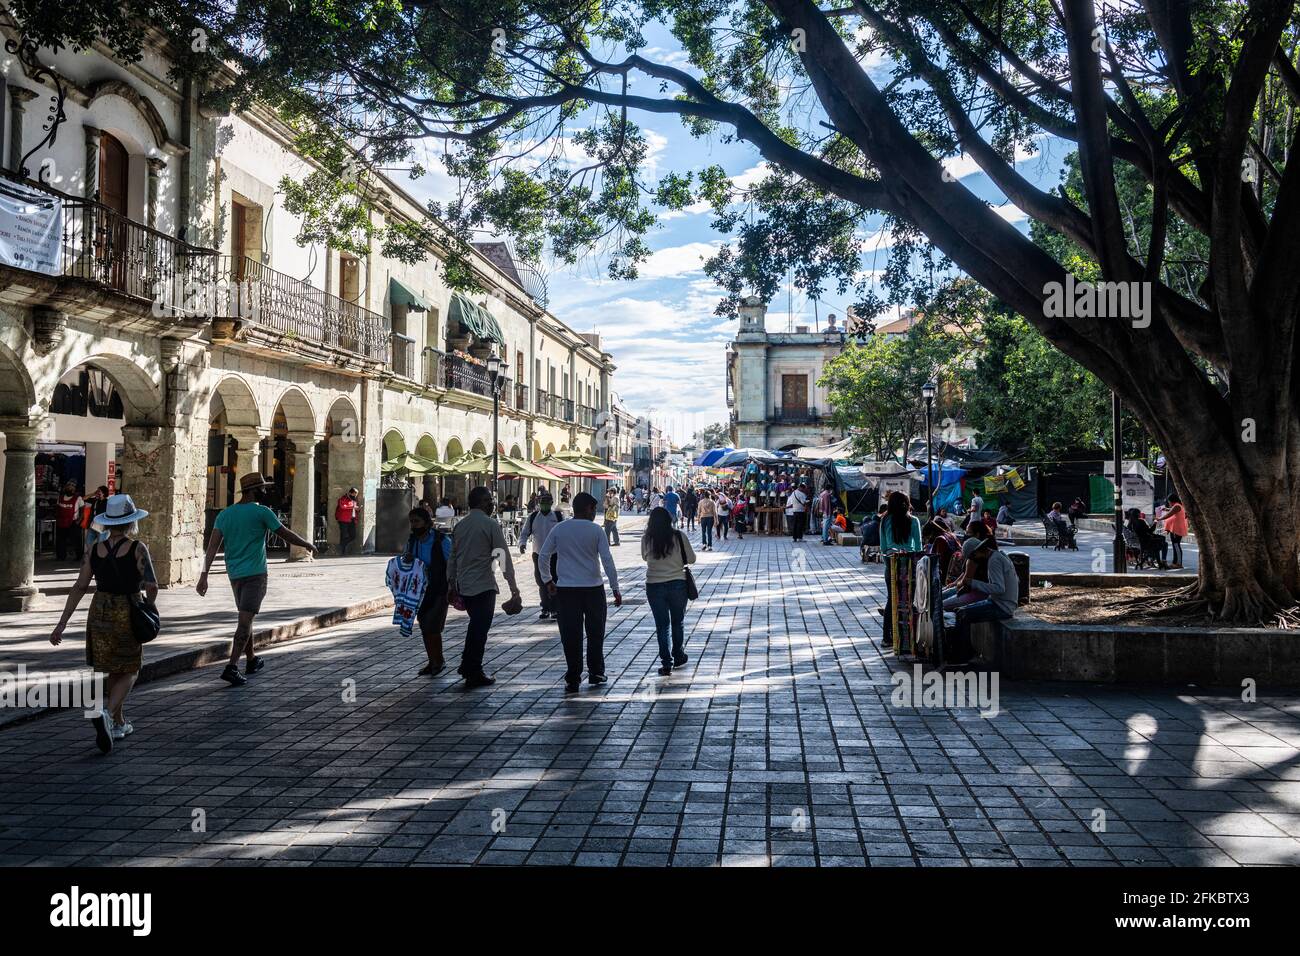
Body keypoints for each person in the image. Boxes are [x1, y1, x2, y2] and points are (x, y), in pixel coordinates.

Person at [49, 494, 157, 753]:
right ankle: (107, 714)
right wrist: (148, 605)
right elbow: (151, 585)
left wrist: (61, 624)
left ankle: (118, 723)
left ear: (108, 522)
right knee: (131, 668)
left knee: (111, 668)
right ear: (131, 522)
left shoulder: (93, 549)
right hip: (127, 609)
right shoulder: (137, 548)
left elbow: (80, 586)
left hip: (99, 611)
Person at [197, 472, 317, 686]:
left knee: (246, 617)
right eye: (262, 488)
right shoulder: (262, 512)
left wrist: (204, 575)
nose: (265, 491)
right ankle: (232, 667)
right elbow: (285, 534)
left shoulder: (225, 515)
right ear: (254, 490)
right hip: (255, 575)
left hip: (234, 575)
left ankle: (251, 660)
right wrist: (306, 544)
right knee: (244, 622)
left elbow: (212, 548)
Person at [538, 492, 621, 693]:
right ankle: (596, 672)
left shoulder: (560, 528)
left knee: (570, 634)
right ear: (589, 509)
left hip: (566, 590)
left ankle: (573, 676)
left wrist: (547, 580)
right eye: (594, 509)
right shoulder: (595, 531)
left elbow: (543, 555)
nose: (595, 513)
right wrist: (615, 587)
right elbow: (607, 560)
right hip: (593, 588)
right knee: (595, 632)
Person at [447, 486, 521, 688]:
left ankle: (469, 665)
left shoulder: (461, 526)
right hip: (484, 586)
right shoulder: (490, 524)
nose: (492, 504)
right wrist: (513, 587)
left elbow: (453, 557)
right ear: (480, 502)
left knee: (477, 626)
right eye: (489, 500)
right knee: (479, 628)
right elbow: (502, 557)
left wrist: (451, 582)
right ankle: (472, 668)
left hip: (465, 585)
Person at [642, 506, 696, 676]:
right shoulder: (679, 536)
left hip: (654, 584)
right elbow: (692, 559)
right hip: (678, 584)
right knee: (677, 622)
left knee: (662, 625)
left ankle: (666, 663)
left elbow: (645, 557)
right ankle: (678, 654)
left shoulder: (647, 538)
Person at [948, 537, 1019, 664]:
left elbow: (999, 588)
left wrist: (973, 583)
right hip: (999, 602)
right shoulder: (999, 555)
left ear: (976, 553)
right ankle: (964, 651)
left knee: (962, 614)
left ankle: (962, 655)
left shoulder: (994, 561)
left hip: (1002, 607)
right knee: (960, 611)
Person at [405, 506, 453, 675]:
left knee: (433, 626)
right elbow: (406, 563)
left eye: (417, 521)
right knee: (425, 625)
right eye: (411, 522)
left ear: (427, 522)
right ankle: (432, 660)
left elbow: (452, 563)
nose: (414, 525)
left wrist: (452, 587)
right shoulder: (412, 542)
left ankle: (439, 661)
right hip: (419, 591)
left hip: (439, 589)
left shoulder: (441, 541)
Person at [521, 491, 563, 619]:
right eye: (542, 502)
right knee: (541, 581)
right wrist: (522, 544)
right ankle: (545, 607)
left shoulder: (557, 516)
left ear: (551, 503)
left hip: (554, 554)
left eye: (547, 502)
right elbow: (524, 533)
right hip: (538, 554)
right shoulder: (533, 517)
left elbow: (564, 532)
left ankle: (555, 608)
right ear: (539, 503)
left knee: (554, 579)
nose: (544, 505)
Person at [55, 481, 85, 562]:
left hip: (73, 522)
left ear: (75, 489)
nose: (70, 487)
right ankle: (61, 556)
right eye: (69, 486)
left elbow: (82, 512)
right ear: (65, 487)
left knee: (76, 540)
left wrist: (78, 521)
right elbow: (57, 509)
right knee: (61, 541)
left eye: (72, 486)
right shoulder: (60, 497)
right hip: (61, 522)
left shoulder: (78, 498)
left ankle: (79, 556)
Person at [1162, 493, 1188, 568]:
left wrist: (1159, 519)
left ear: (1171, 500)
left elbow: (1169, 515)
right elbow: (1172, 510)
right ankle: (1175, 562)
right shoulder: (1178, 505)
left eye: (1169, 501)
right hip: (1175, 529)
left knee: (1176, 545)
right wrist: (1167, 509)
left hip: (1177, 529)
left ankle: (1179, 563)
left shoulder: (1176, 506)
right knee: (1175, 545)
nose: (1169, 502)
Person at [81, 485, 110, 553]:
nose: (97, 492)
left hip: (102, 526)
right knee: (88, 542)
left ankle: (100, 557)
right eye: (97, 491)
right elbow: (84, 498)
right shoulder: (95, 500)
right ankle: (93, 555)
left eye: (99, 491)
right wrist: (93, 493)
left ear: (103, 493)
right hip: (93, 524)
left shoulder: (108, 502)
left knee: (101, 544)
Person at [335, 487, 361, 555]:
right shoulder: (343, 499)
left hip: (352, 519)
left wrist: (358, 509)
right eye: (354, 494)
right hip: (343, 520)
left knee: (353, 535)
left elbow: (354, 509)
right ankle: (342, 551)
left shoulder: (354, 500)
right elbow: (342, 507)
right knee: (344, 535)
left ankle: (342, 545)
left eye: (356, 494)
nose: (355, 495)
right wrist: (353, 507)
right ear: (350, 493)